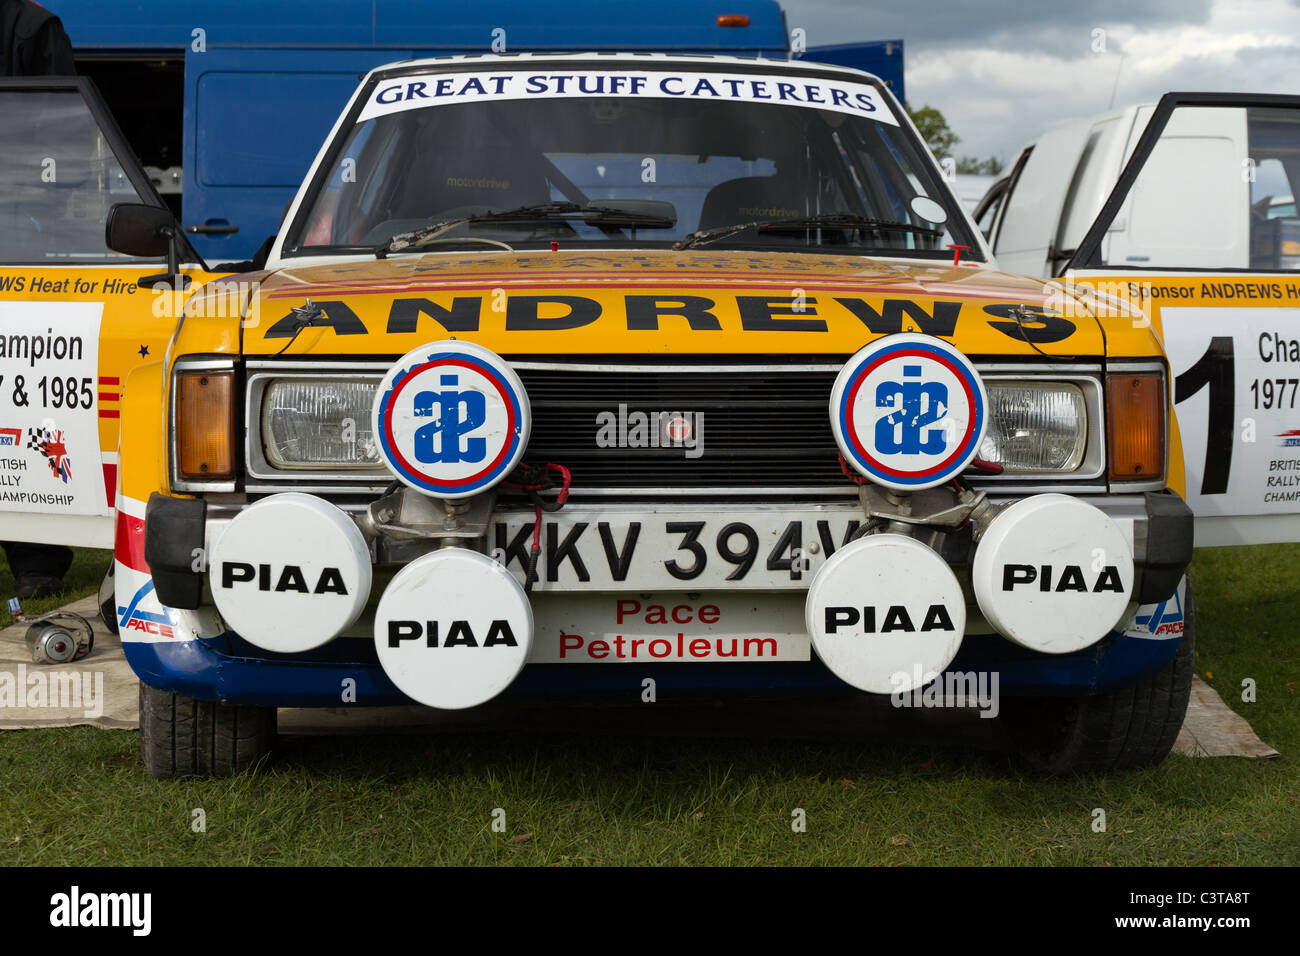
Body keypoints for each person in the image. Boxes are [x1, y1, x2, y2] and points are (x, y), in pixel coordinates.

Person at [1, 0, 76, 597]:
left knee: (26, 393)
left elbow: (60, 135)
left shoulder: (31, 27)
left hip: (18, 239)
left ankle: (37, 559)